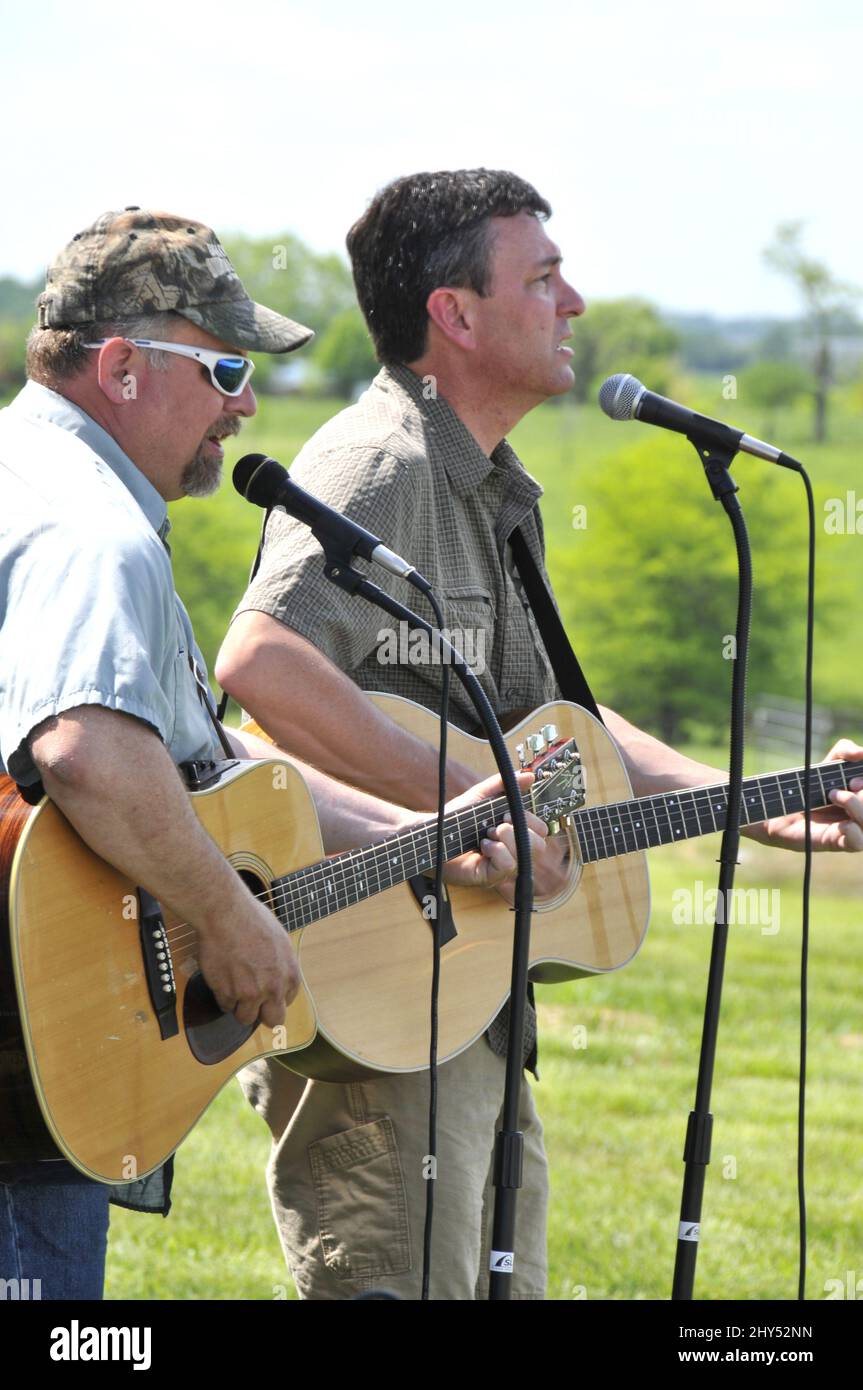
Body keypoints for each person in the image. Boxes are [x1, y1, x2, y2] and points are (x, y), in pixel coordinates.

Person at [216, 169, 863, 1300]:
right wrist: (462, 803)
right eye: (544, 278)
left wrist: (764, 796)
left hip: (466, 998)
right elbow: (261, 664)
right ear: (453, 315)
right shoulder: (380, 465)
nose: (573, 305)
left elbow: (561, 726)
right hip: (371, 989)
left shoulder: (489, 492)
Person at [0, 206, 545, 1301]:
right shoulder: (89, 531)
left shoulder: (35, 481)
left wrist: (428, 835)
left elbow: (204, 771)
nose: (246, 406)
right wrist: (226, 913)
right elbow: (89, 751)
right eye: (227, 367)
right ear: (120, 366)